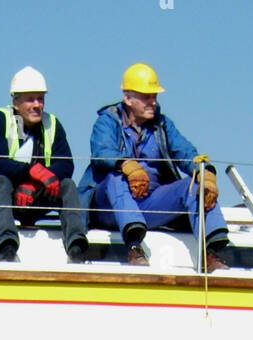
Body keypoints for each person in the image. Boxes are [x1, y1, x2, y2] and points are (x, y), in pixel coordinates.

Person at [78, 62, 231, 269]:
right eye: (146, 96)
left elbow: (185, 152)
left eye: (154, 96)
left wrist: (206, 172)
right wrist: (127, 165)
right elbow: (102, 153)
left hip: (148, 204)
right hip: (109, 206)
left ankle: (212, 251)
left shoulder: (162, 124)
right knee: (116, 178)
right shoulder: (107, 121)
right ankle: (133, 247)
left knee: (195, 186)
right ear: (127, 99)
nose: (153, 102)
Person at [0, 66, 89, 264]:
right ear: (15, 102)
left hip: (39, 195)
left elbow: (66, 164)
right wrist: (34, 171)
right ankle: (7, 247)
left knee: (68, 185)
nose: (37, 105)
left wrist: (34, 183)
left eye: (40, 99)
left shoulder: (52, 123)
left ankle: (77, 247)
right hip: (4, 198)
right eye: (30, 99)